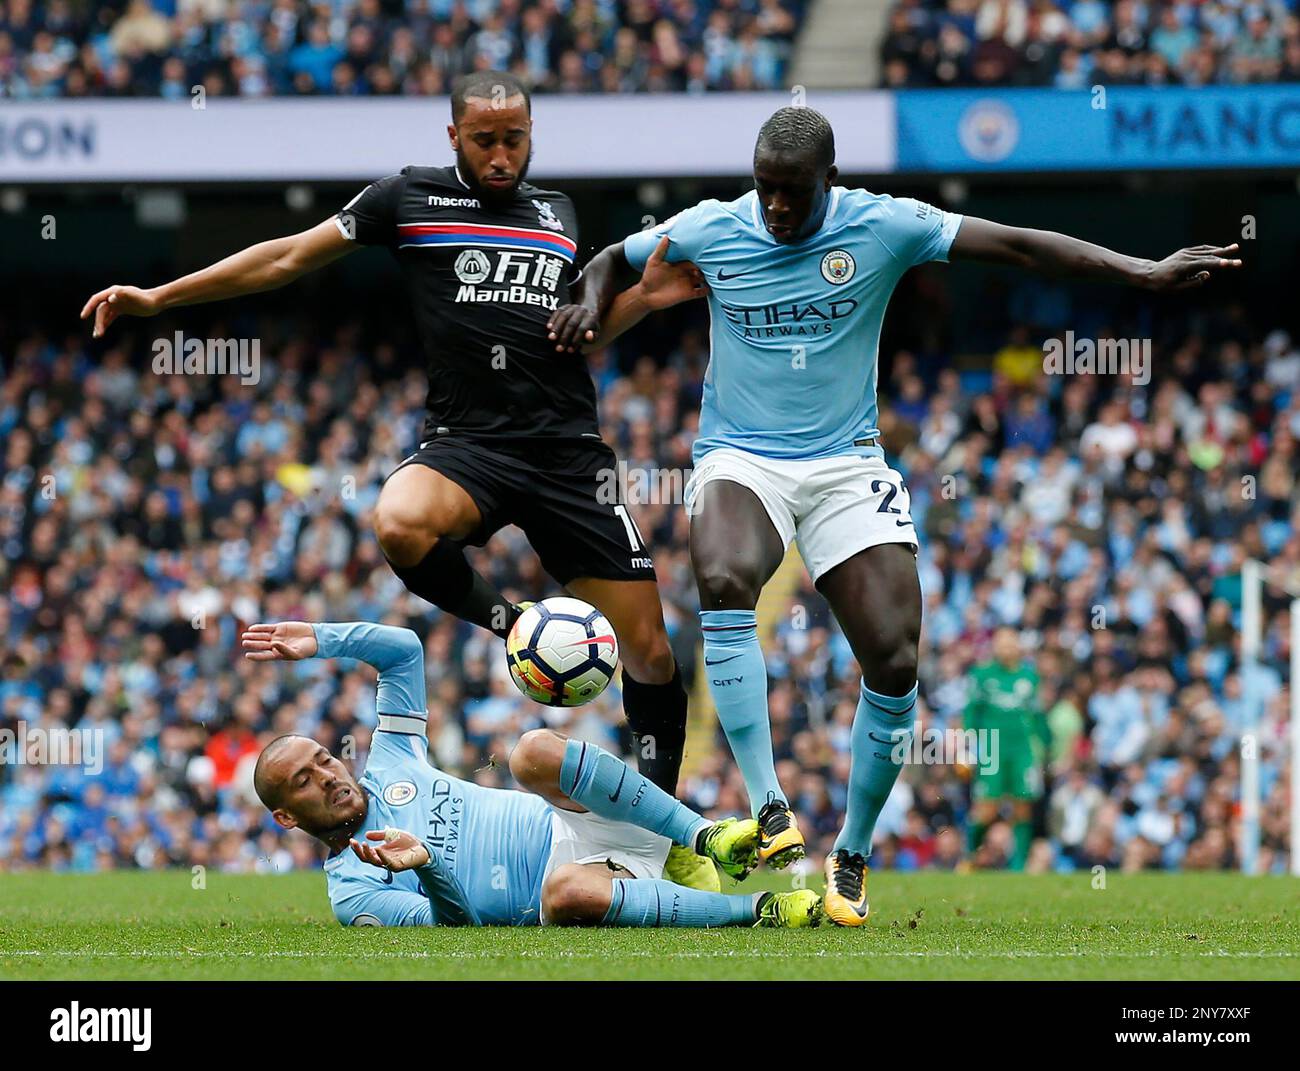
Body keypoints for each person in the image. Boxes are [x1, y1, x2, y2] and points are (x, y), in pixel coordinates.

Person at [549, 105, 1241, 924]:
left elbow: (1017, 242)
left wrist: (1140, 270)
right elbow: (607, 259)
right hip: (743, 457)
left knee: (895, 659)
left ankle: (852, 850)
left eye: (791, 194)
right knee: (726, 576)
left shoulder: (886, 223)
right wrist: (591, 301)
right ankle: (772, 809)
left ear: (829, 182)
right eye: (765, 189)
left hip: (848, 464)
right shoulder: (714, 226)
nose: (774, 208)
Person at [79, 69, 710, 886]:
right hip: (468, 444)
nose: (500, 152)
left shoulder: (557, 214)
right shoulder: (406, 199)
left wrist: (640, 303)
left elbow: (567, 339)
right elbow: (287, 257)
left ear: (530, 133)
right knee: (398, 519)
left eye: (514, 137)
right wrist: (163, 298)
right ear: (453, 137)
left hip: (565, 453)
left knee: (652, 651)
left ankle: (660, 841)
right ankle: (512, 621)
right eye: (483, 138)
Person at [244, 619, 823, 929]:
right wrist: (428, 862)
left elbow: (403, 649)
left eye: (323, 758)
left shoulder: (392, 759)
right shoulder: (354, 893)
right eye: (302, 780)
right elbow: (458, 930)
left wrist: (322, 640)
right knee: (564, 892)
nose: (326, 774)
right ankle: (761, 911)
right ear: (285, 816)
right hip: (595, 880)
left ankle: (706, 836)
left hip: (609, 822)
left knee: (528, 753)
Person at [965, 626, 1050, 870]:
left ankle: (1018, 867)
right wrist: (968, 744)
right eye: (1001, 643)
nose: (1005, 648)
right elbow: (971, 712)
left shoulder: (1029, 677)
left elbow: (1038, 715)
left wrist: (1045, 746)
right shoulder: (981, 675)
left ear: (1019, 648)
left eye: (1010, 643)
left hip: (1023, 750)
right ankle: (971, 857)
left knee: (1022, 808)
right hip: (991, 746)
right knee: (986, 809)